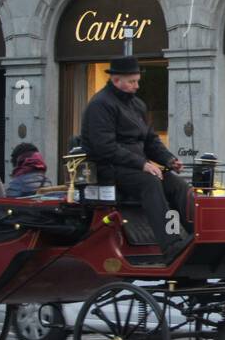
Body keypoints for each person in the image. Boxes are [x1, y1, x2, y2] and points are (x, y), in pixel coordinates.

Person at [81, 55, 192, 261]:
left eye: (137, 80)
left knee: (177, 186)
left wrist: (168, 159)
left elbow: (150, 139)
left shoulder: (137, 105)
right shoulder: (100, 105)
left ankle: (194, 234)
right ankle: (170, 244)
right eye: (132, 81)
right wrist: (142, 164)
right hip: (108, 167)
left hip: (134, 166)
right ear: (116, 80)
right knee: (150, 183)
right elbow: (104, 147)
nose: (137, 85)